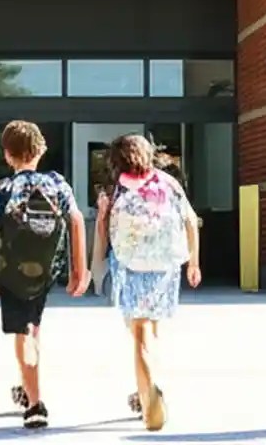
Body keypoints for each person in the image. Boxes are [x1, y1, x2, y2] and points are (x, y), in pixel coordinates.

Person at [0, 120, 89, 430]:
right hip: (46, 269)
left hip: (11, 270)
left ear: (8, 155)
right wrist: (79, 268)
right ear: (41, 150)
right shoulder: (57, 183)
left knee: (25, 330)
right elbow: (76, 220)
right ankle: (25, 386)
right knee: (31, 326)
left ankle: (35, 403)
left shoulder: (4, 187)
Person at [90, 134, 201, 431]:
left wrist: (95, 266)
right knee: (151, 330)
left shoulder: (115, 190)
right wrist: (194, 262)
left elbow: (103, 234)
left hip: (130, 266)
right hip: (166, 266)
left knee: (139, 335)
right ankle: (144, 388)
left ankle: (149, 393)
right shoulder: (168, 183)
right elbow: (191, 221)